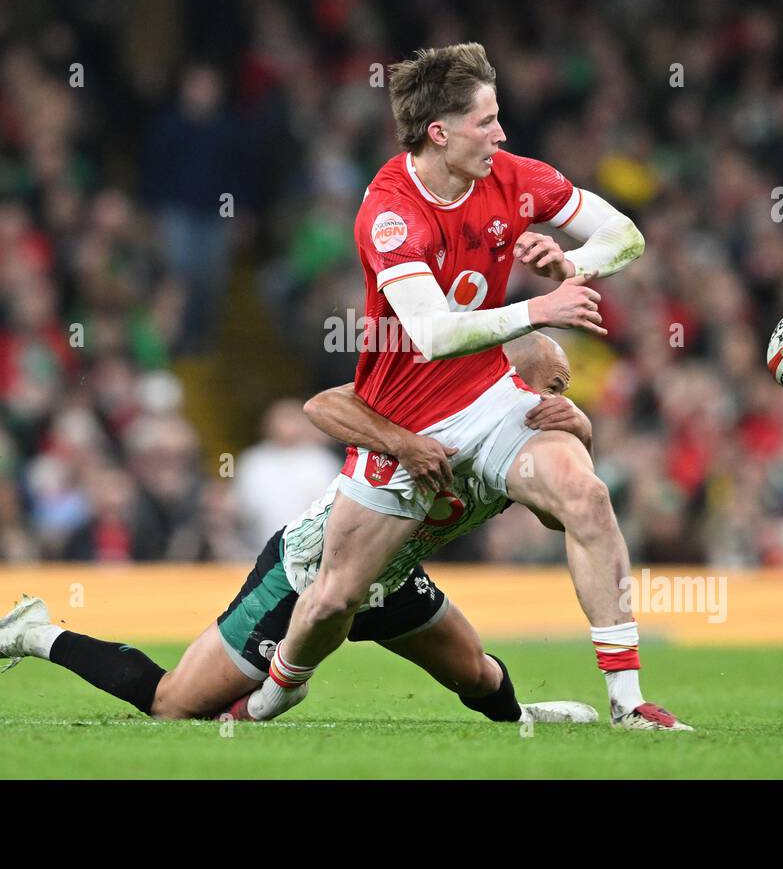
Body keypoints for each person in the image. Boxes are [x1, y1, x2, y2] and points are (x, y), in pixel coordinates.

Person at [245, 42, 690, 730]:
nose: (502, 134)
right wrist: (540, 309)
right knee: (335, 598)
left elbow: (624, 234)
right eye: (486, 121)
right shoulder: (390, 211)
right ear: (440, 132)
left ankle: (628, 701)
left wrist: (570, 258)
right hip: (404, 419)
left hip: (490, 397)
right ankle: (278, 687)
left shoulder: (513, 177)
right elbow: (431, 332)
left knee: (586, 496)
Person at [0, 336, 601, 726]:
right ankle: (38, 632)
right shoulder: (439, 401)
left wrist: (580, 431)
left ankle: (522, 722)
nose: (563, 397)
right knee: (175, 704)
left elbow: (557, 514)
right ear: (513, 379)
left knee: (481, 677)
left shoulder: (532, 450)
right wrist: (403, 443)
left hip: (393, 578)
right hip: (312, 570)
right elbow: (322, 405)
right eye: (557, 385)